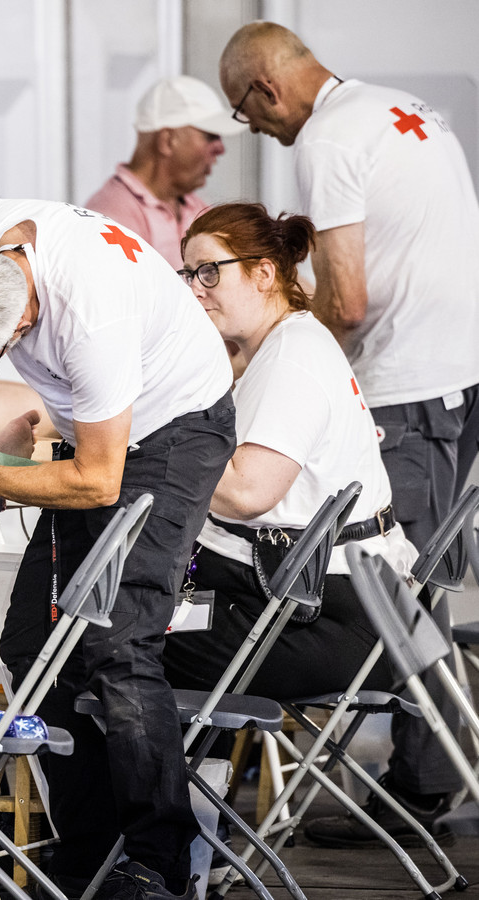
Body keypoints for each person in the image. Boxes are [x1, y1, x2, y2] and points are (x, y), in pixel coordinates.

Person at [0, 197, 236, 900]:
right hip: (103, 430)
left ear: (22, 320)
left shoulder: (91, 322)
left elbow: (96, 479)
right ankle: (88, 848)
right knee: (33, 641)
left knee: (117, 647)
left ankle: (156, 859)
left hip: (172, 431)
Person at [220, 21, 479, 845]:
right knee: (423, 578)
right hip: (459, 376)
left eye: (243, 113)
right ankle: (430, 776)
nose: (251, 129)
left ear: (264, 88)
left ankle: (422, 788)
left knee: (386, 587)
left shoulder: (326, 138)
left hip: (406, 385)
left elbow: (347, 301)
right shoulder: (401, 108)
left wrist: (287, 373)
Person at [161, 202, 413, 703]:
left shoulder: (291, 358)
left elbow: (246, 493)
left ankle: (180, 780)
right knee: (130, 621)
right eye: (188, 272)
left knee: (117, 639)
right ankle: (197, 775)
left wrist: (147, 452)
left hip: (327, 619)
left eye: (210, 271)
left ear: (263, 273)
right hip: (337, 602)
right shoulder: (286, 344)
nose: (194, 288)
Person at [84, 75, 244, 269]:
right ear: (167, 140)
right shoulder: (111, 216)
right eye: (210, 136)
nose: (220, 148)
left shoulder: (197, 208)